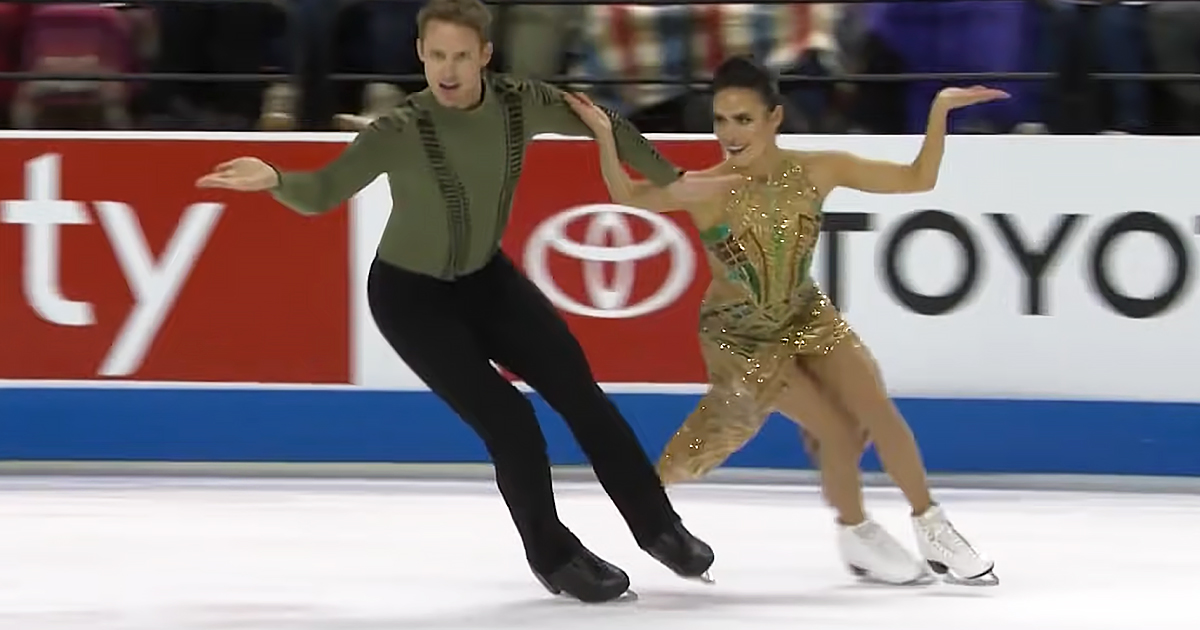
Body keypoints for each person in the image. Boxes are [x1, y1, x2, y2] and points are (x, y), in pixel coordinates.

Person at [194, 0, 734, 605]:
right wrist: (274, 177)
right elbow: (325, 192)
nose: (447, 70)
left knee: (582, 397)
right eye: (435, 56)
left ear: (484, 55)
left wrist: (668, 176)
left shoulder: (519, 101)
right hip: (411, 299)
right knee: (513, 424)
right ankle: (555, 557)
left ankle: (660, 528)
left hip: (488, 282)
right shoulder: (398, 128)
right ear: (421, 55)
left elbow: (603, 120)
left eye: (460, 55)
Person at [559, 56, 1002, 587]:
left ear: (774, 117)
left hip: (804, 311)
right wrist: (606, 136)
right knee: (836, 432)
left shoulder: (820, 169)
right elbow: (626, 195)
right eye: (721, 120)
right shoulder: (706, 186)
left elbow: (918, 179)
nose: (730, 133)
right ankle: (856, 531)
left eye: (743, 119)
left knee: (876, 413)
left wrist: (939, 112)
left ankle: (932, 526)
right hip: (741, 336)